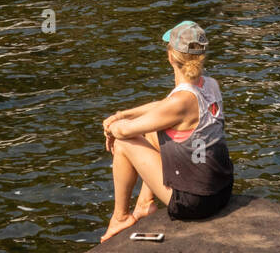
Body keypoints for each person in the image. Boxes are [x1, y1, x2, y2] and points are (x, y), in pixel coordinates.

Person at [100, 21, 233, 241]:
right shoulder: (210, 84)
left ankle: (121, 217)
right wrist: (123, 114)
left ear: (170, 56)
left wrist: (112, 128)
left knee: (124, 143)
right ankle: (144, 204)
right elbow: (163, 108)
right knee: (154, 132)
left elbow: (125, 132)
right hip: (222, 190)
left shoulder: (181, 101)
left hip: (195, 203)